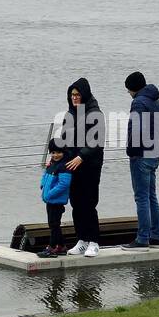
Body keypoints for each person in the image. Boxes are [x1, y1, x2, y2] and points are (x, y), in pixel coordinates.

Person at [59, 77, 104, 257]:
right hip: (72, 164)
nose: (75, 98)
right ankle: (82, 240)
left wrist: (81, 156)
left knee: (89, 203)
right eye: (72, 95)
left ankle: (94, 241)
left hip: (90, 165)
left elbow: (96, 142)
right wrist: (56, 159)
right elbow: (63, 140)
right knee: (76, 203)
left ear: (84, 95)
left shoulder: (95, 113)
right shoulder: (70, 114)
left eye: (77, 95)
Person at [120, 70, 159, 249]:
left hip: (141, 155)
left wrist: (130, 151)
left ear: (133, 88)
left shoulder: (138, 102)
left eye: (128, 90)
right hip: (154, 153)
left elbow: (135, 130)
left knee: (141, 198)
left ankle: (142, 239)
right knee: (151, 196)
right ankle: (157, 237)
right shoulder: (157, 101)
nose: (128, 93)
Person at [38, 140, 73, 258]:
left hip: (56, 201)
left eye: (58, 152)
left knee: (54, 225)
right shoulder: (52, 163)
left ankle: (52, 247)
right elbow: (45, 175)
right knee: (53, 224)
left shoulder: (64, 166)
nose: (55, 155)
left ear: (64, 152)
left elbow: (64, 184)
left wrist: (50, 194)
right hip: (50, 200)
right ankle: (62, 247)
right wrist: (42, 184)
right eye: (53, 152)